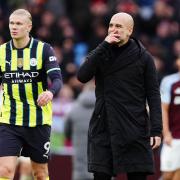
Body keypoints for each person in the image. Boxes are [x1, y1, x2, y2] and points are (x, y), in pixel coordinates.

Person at [77, 12, 162, 180]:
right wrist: (104, 46)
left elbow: (153, 94)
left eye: (119, 26)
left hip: (134, 126)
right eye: (111, 25)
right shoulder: (101, 52)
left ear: (129, 31)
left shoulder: (143, 57)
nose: (113, 29)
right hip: (104, 126)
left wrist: (156, 130)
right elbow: (82, 76)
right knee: (101, 175)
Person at [0, 9, 62, 180]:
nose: (14, 27)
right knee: (4, 171)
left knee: (40, 173)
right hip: (9, 120)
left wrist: (50, 92)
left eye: (18, 23)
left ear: (29, 26)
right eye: (12, 23)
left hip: (39, 121)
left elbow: (57, 79)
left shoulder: (43, 49)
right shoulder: (1, 52)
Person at [64, 81, 95, 180]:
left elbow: (67, 132)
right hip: (102, 165)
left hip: (79, 166)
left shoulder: (74, 109)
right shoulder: (107, 108)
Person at [160, 57, 180, 180]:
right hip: (173, 135)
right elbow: (163, 109)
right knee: (168, 174)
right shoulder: (169, 81)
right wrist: (166, 133)